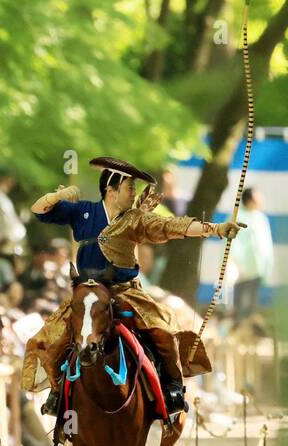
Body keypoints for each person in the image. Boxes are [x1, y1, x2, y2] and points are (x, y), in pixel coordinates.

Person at [22, 156, 243, 426]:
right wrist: (60, 194)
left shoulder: (135, 219)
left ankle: (172, 388)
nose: (133, 193)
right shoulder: (83, 212)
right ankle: (57, 395)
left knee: (163, 331)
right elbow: (39, 210)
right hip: (87, 294)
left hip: (125, 293)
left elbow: (172, 226)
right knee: (54, 337)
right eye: (129, 188)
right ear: (111, 190)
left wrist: (217, 229)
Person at [229, 188, 274, 325]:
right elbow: (234, 243)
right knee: (241, 303)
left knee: (252, 304)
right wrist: (235, 264)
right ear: (249, 200)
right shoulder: (239, 218)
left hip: (257, 268)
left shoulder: (261, 218)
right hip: (243, 269)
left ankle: (247, 334)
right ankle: (237, 331)